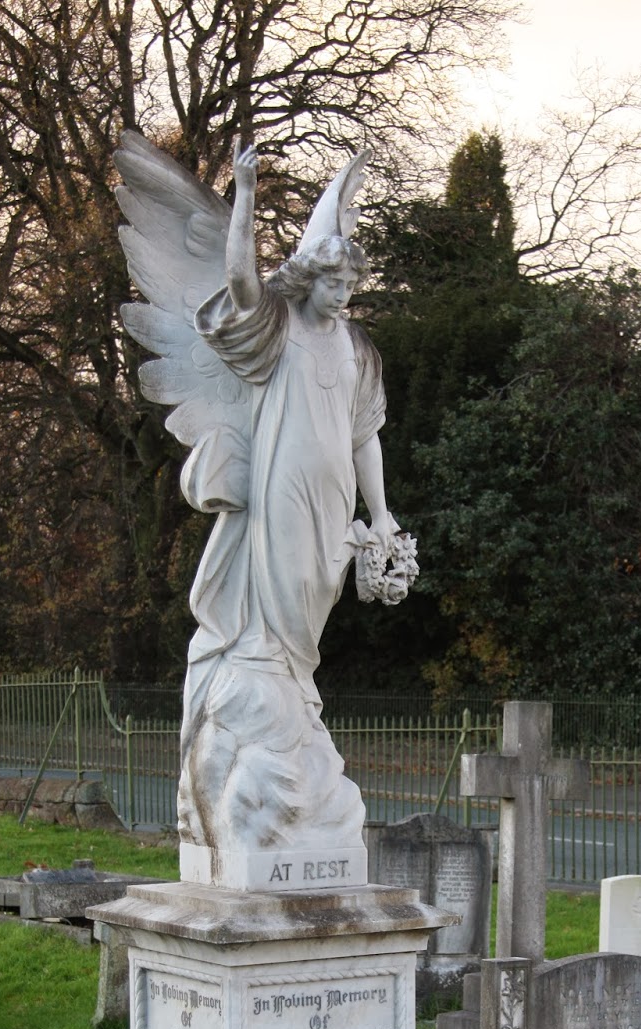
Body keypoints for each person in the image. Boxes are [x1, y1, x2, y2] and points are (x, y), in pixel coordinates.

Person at [175, 139, 402, 862]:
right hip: (280, 489)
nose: (341, 296)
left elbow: (366, 435)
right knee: (274, 609)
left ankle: (295, 701)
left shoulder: (357, 348)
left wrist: (382, 513)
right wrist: (243, 194)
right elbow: (240, 281)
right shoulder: (279, 325)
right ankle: (268, 701)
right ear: (310, 278)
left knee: (311, 611)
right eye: (332, 282)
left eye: (349, 286)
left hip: (333, 497)